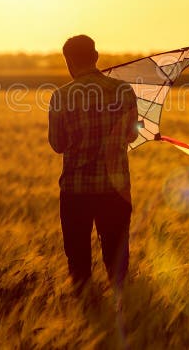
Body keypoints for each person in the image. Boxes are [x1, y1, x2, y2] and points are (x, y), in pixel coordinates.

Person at [48, 35, 139, 299]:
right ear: (96, 56)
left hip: (76, 190)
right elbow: (132, 136)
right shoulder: (123, 90)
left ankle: (87, 308)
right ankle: (123, 312)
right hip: (115, 188)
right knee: (116, 254)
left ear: (68, 61)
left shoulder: (61, 96)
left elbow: (57, 144)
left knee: (78, 258)